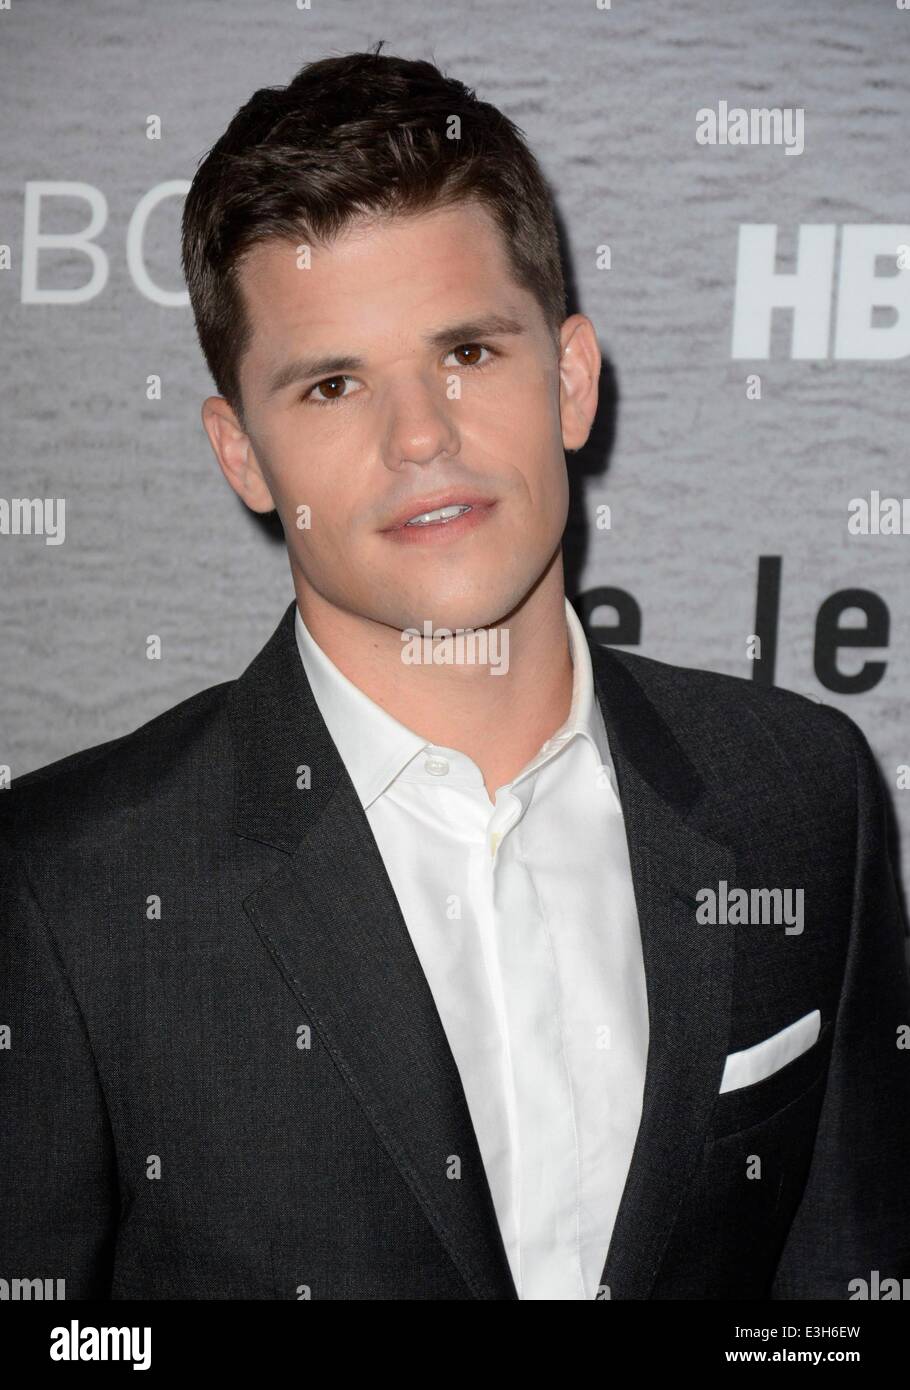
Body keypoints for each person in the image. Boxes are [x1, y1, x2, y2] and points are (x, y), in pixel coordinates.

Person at [2, 45, 908, 1302]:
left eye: (469, 354)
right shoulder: (64, 893)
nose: (419, 436)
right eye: (331, 384)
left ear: (571, 378)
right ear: (243, 455)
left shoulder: (799, 794)